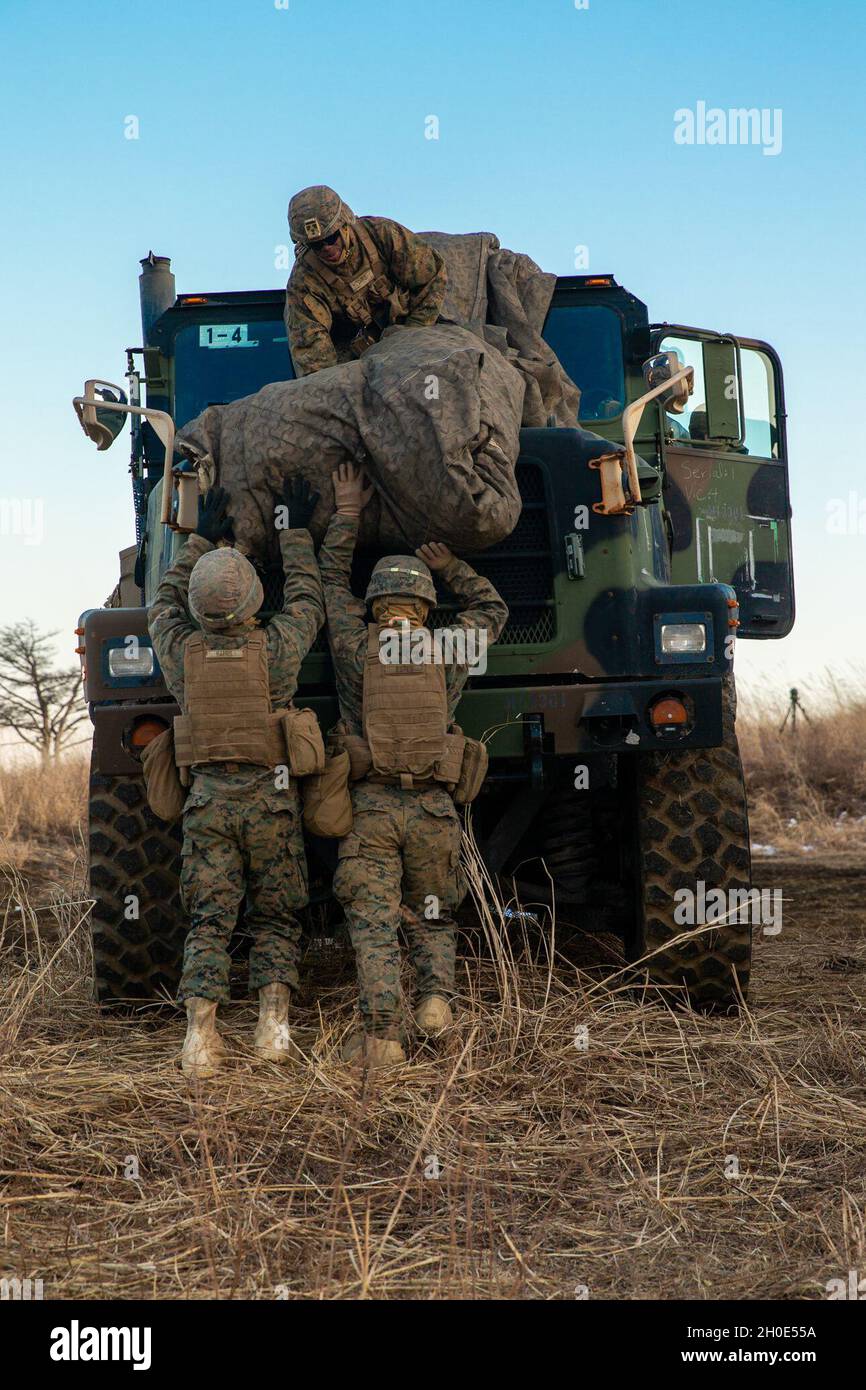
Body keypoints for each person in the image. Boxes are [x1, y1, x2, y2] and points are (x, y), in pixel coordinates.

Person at [318, 463, 508, 1066]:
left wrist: (347, 513)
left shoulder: (352, 644)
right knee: (433, 912)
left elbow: (327, 581)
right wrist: (451, 567)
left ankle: (382, 1038)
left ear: (374, 605)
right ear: (426, 607)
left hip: (370, 806)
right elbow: (491, 608)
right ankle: (436, 1006)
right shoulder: (451, 648)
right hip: (434, 806)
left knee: (373, 922)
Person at [148, 479, 324, 1079]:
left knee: (210, 919)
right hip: (271, 802)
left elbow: (161, 605)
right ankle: (272, 1030)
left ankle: (200, 1037)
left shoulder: (179, 651)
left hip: (208, 805)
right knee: (276, 916)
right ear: (254, 603)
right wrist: (294, 532)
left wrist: (196, 539)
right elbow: (307, 601)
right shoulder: (276, 648)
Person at [284, 185, 447, 376]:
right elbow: (314, 357)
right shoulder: (304, 282)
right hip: (359, 364)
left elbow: (432, 277)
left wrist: (413, 334)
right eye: (316, 245)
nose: (326, 248)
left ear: (344, 226)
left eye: (331, 238)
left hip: (414, 331)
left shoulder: (381, 234)